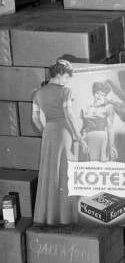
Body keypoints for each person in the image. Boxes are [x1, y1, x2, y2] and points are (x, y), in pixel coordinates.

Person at [32, 58, 89, 225]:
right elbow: (69, 116)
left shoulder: (37, 93)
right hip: (64, 132)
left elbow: (35, 118)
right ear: (60, 74)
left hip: (49, 132)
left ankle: (49, 216)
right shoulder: (65, 91)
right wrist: (78, 137)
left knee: (50, 170)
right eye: (66, 77)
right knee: (66, 170)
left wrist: (46, 131)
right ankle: (66, 217)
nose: (67, 81)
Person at [80, 81, 119, 161]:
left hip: (102, 139)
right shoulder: (85, 109)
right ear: (93, 93)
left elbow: (110, 128)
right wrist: (81, 141)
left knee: (102, 162)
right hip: (87, 139)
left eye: (103, 94)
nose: (99, 96)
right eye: (97, 93)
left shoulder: (108, 108)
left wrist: (111, 146)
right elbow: (82, 128)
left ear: (105, 96)